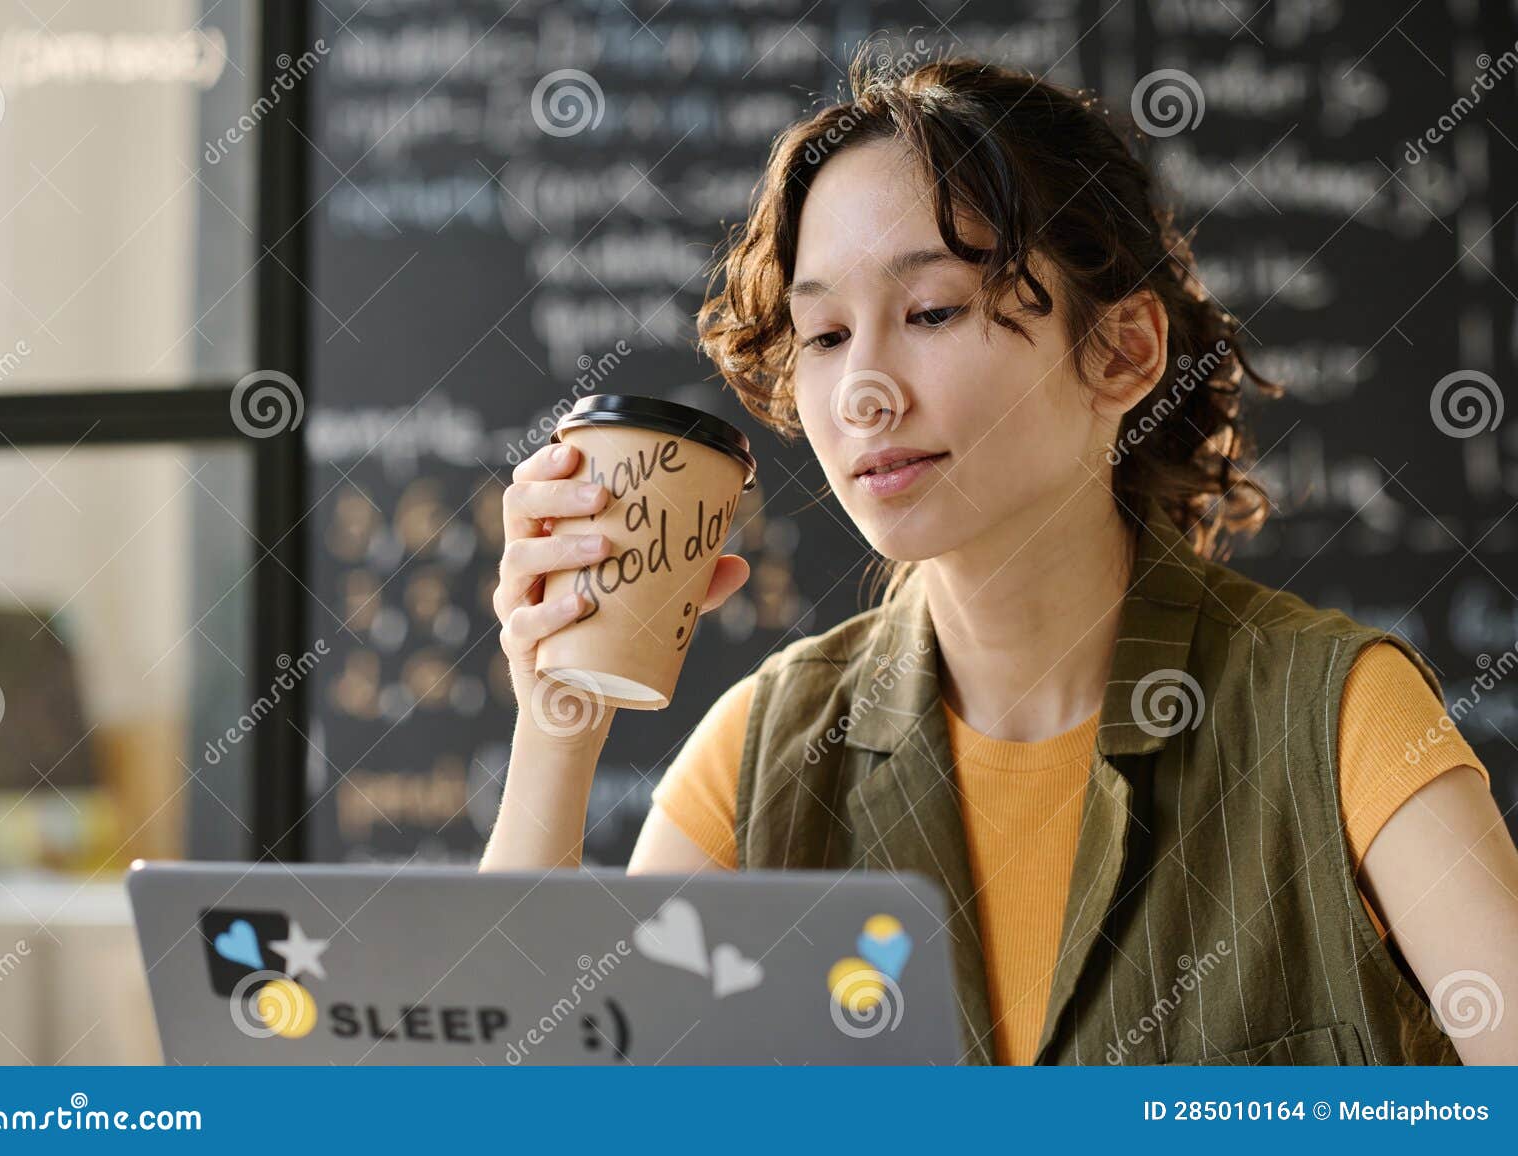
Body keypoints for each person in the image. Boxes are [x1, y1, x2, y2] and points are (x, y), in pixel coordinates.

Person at [480, 47, 1518, 1065]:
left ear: (1121, 351)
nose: (862, 393)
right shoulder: (767, 753)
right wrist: (555, 724)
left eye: (930, 311)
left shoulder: (1337, 719)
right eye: (826, 335)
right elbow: (509, 1117)